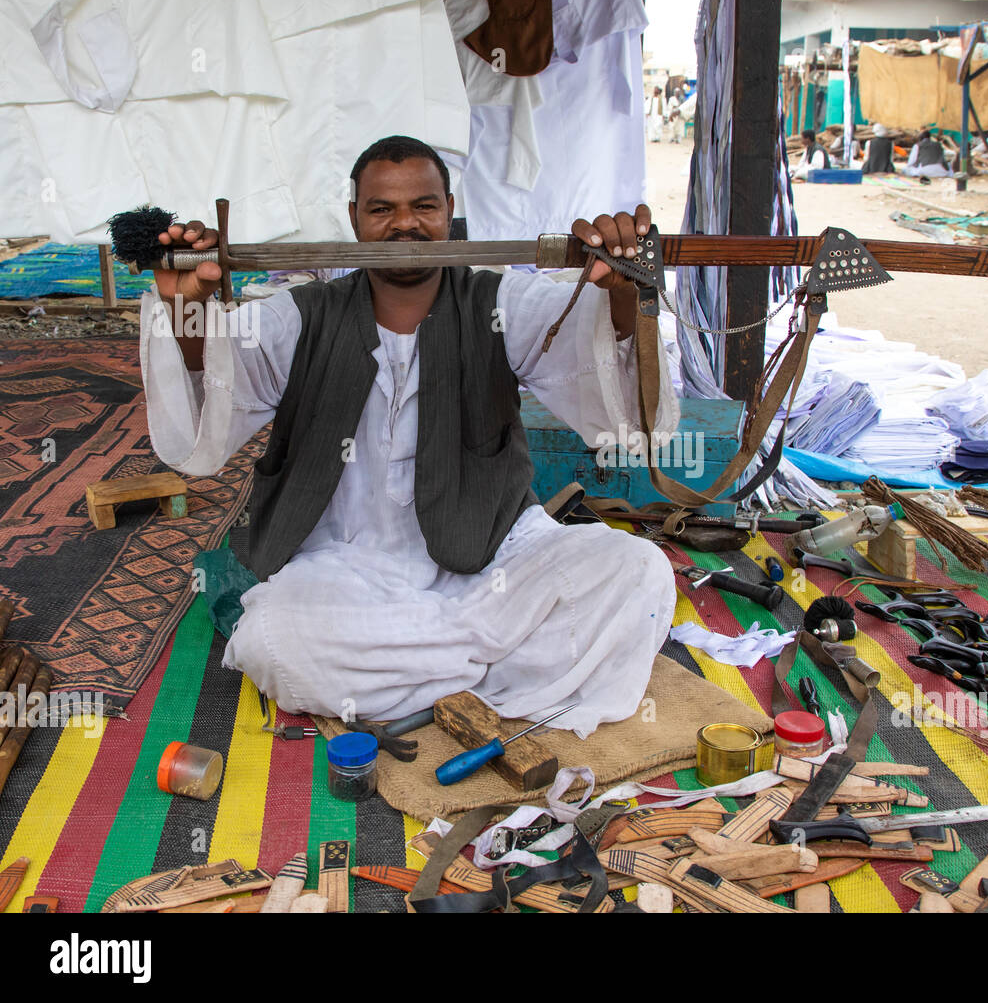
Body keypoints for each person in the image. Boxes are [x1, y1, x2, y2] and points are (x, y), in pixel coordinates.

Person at [138, 135, 678, 738]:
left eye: (423, 206)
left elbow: (623, 406)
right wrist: (188, 314)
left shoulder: (499, 301)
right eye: (381, 209)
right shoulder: (301, 314)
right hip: (344, 569)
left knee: (639, 572)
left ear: (449, 211)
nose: (405, 225)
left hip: (492, 559)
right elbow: (214, 398)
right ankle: (499, 664)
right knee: (276, 639)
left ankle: (417, 675)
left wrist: (626, 295)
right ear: (353, 220)